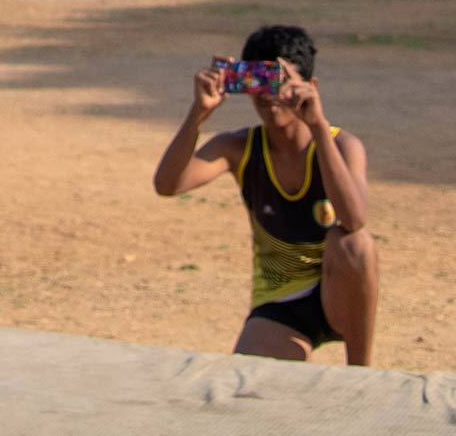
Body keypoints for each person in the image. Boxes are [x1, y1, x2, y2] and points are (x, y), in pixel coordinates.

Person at [151, 24, 380, 366]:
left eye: (281, 81)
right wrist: (198, 114)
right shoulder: (240, 147)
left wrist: (318, 126)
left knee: (354, 244)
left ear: (310, 88)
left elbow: (355, 218)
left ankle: (360, 372)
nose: (269, 94)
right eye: (259, 81)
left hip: (339, 293)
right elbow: (167, 184)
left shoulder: (342, 144)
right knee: (252, 385)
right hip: (282, 297)